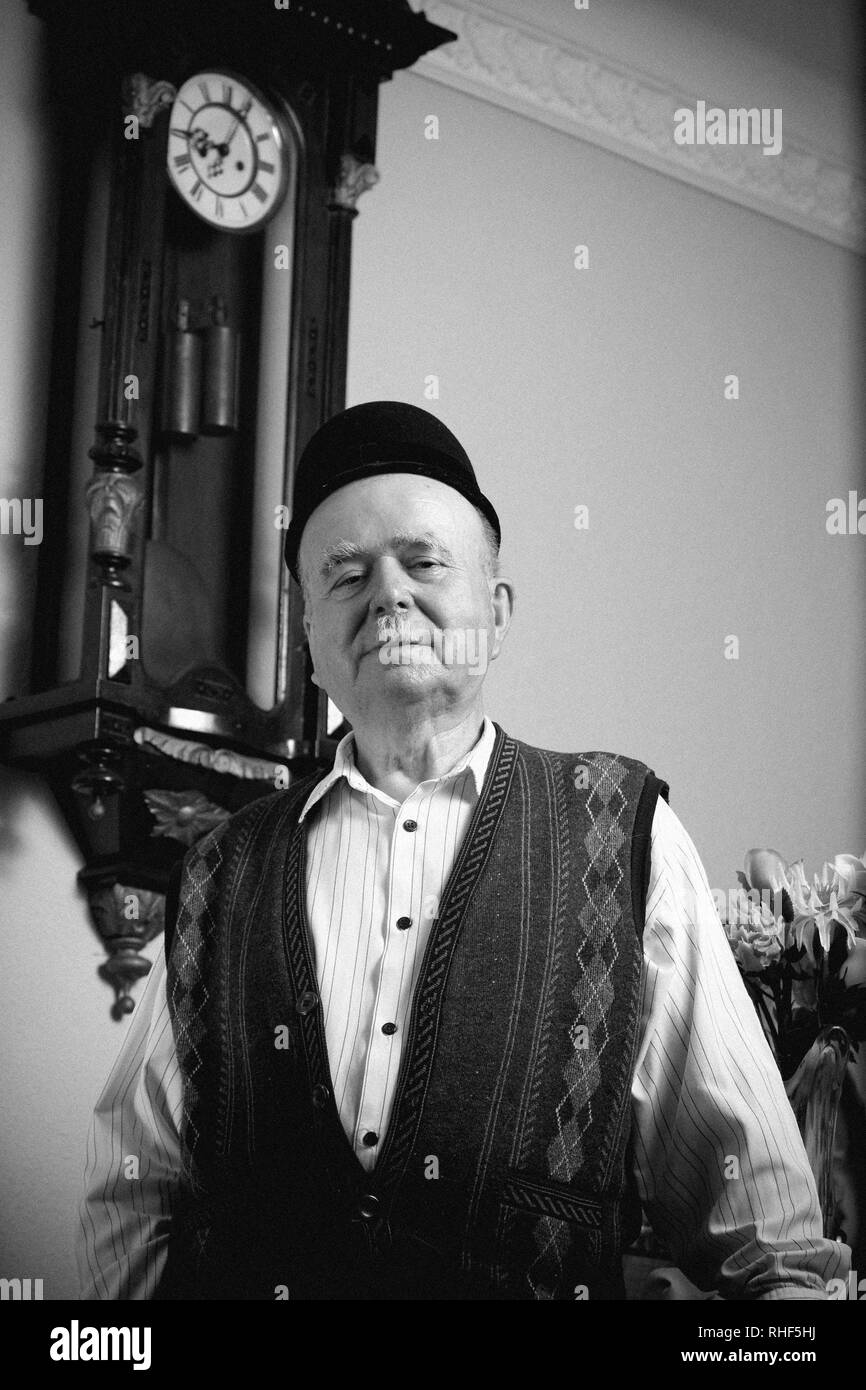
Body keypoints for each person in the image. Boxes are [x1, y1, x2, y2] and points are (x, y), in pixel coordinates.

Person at [77, 401, 848, 1301]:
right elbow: (130, 1198)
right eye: (345, 573)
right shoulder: (221, 870)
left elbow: (773, 1254)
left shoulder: (623, 834)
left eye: (425, 561)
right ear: (311, 642)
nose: (388, 594)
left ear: (498, 608)